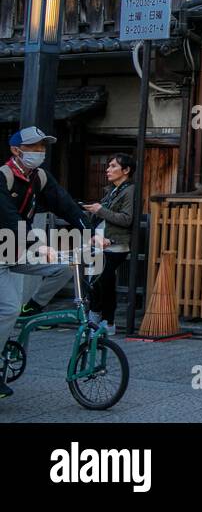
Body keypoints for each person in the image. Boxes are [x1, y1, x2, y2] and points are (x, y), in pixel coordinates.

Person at [0, 127, 93, 401]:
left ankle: (33, 308)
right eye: (33, 147)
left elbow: (66, 205)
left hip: (17, 250)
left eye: (42, 147)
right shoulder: (2, 177)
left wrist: (92, 234)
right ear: (16, 150)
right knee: (7, 309)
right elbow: (8, 219)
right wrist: (39, 245)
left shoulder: (39, 177)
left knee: (63, 267)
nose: (39, 152)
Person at [83, 152, 136, 335]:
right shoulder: (113, 190)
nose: (108, 169)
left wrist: (100, 210)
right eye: (109, 165)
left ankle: (100, 320)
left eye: (113, 166)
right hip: (100, 242)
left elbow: (127, 219)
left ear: (126, 170)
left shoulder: (130, 190)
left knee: (100, 280)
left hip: (115, 244)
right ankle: (103, 321)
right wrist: (95, 210)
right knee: (100, 281)